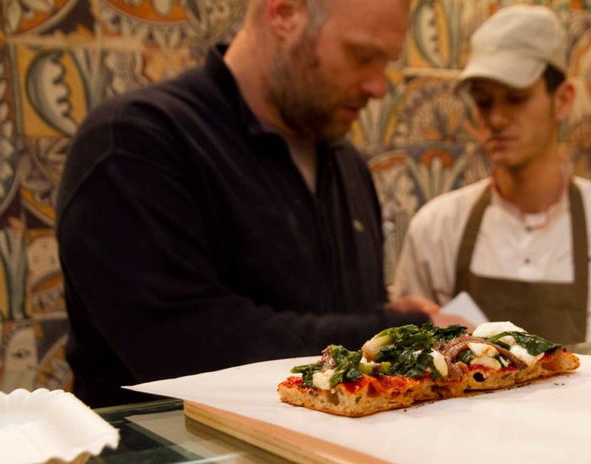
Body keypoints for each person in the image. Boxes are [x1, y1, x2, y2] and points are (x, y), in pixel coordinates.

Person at [57, 0, 458, 407]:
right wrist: (396, 328)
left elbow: (329, 315)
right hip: (172, 462)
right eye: (362, 56)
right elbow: (187, 349)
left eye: (385, 62)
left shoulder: (345, 162)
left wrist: (383, 320)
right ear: (283, 15)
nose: (378, 86)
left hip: (316, 462)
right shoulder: (136, 141)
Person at [392, 5, 591, 344]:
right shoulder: (436, 229)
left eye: (515, 99)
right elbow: (402, 362)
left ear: (562, 100)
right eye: (484, 102)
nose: (497, 119)